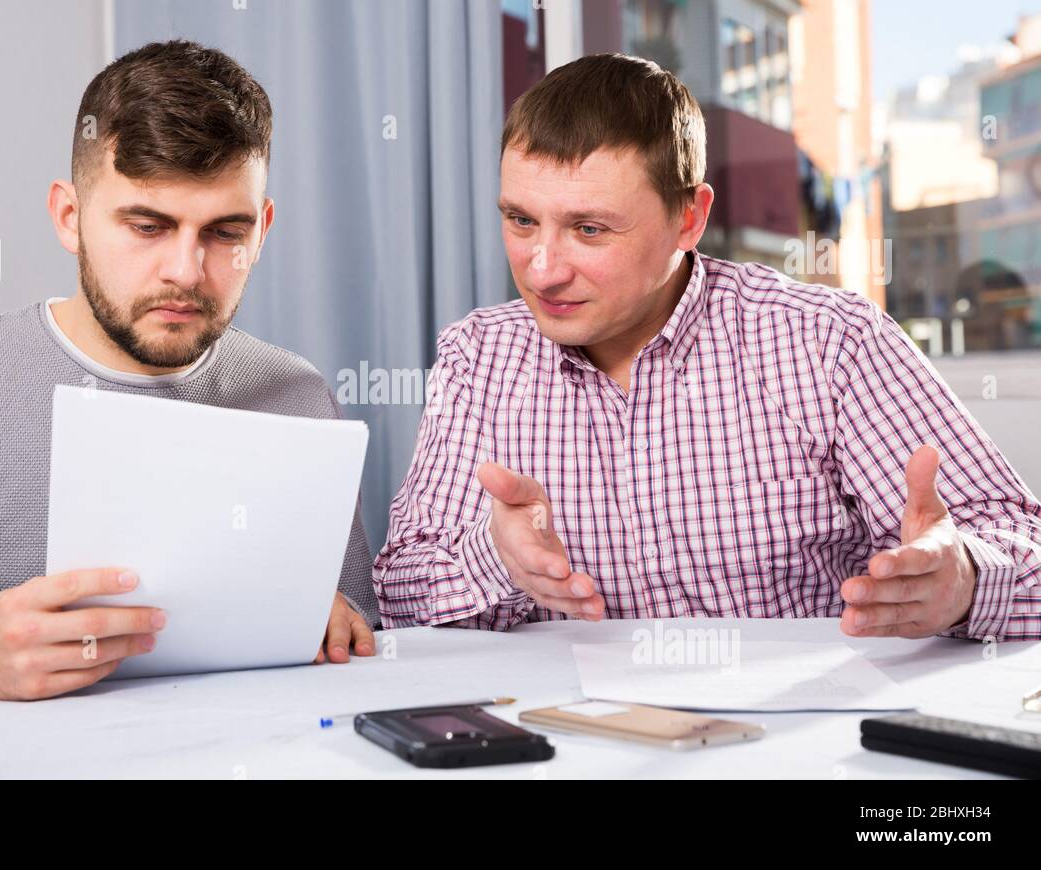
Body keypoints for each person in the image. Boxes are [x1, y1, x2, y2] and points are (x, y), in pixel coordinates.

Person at [0, 40, 376, 779]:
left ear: (262, 230)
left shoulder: (298, 399)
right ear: (69, 216)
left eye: (224, 233)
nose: (185, 270)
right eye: (146, 226)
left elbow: (359, 665)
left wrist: (343, 634)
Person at [374, 53, 1041, 641]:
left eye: (589, 229)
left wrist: (966, 583)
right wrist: (498, 557)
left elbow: (1026, 550)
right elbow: (399, 597)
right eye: (521, 220)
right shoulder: (478, 358)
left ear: (689, 217)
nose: (541, 268)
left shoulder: (827, 342)